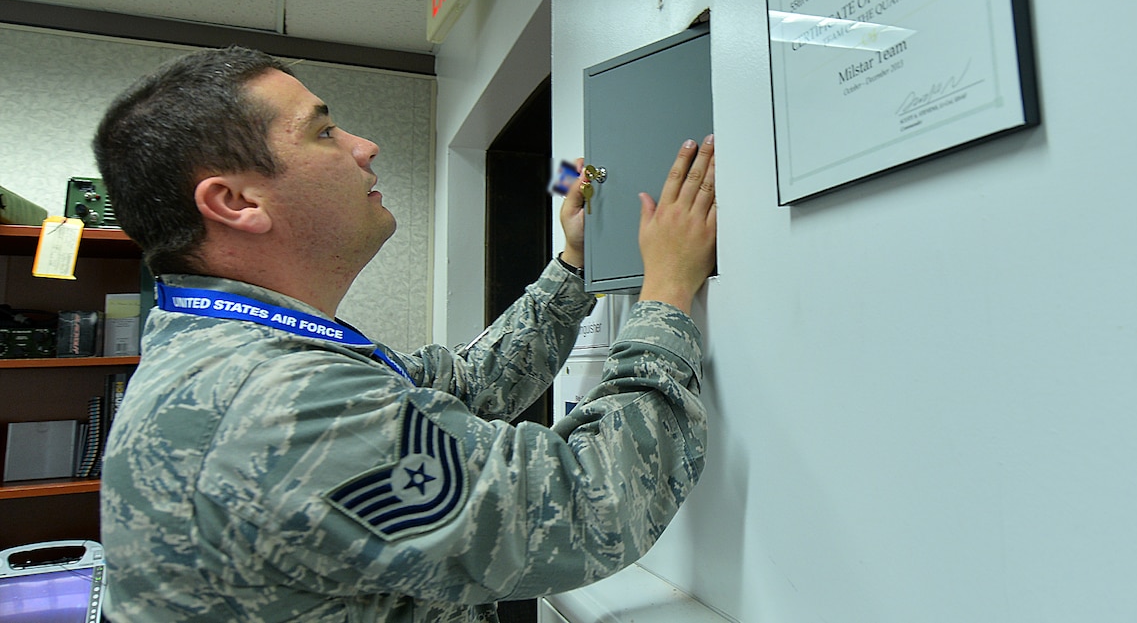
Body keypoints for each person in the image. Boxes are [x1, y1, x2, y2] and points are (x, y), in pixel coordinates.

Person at [93, 45, 717, 622]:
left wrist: (575, 267)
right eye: (324, 132)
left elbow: (472, 383)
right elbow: (589, 504)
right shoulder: (268, 399)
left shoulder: (241, 351)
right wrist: (666, 290)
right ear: (233, 201)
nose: (363, 146)